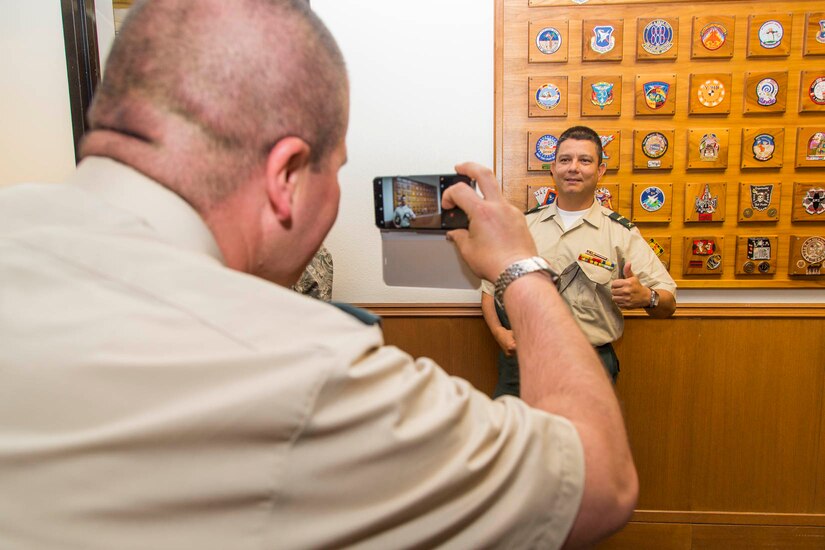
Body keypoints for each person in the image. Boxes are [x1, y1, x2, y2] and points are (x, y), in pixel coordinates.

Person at [0, 3, 637, 548]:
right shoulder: (302, 364)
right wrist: (520, 266)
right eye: (335, 169)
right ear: (286, 176)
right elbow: (601, 482)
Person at [482, 125, 677, 398]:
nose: (574, 168)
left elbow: (668, 302)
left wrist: (647, 297)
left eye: (585, 160)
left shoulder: (620, 233)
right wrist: (498, 332)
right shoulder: (522, 226)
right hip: (523, 363)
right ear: (553, 168)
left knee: (579, 442)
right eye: (565, 160)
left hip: (589, 363)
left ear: (600, 171)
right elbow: (490, 289)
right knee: (518, 439)